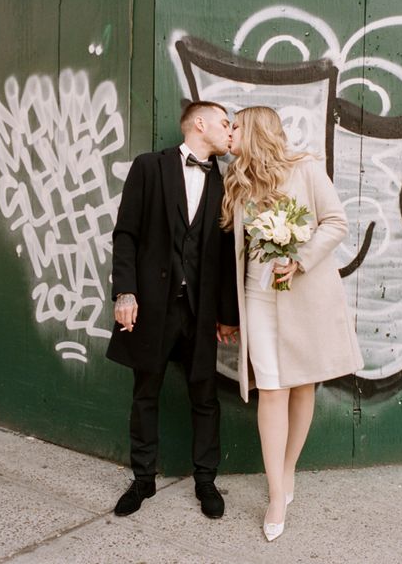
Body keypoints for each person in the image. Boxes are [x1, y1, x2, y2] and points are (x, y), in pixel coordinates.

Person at [220, 106, 364, 541]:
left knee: (303, 384)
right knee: (271, 388)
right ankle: (277, 493)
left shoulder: (306, 169)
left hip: (303, 292)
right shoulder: (236, 179)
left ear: (257, 131)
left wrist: (298, 258)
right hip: (257, 297)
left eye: (236, 126)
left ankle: (287, 471)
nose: (230, 133)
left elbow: (336, 222)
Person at [107, 100, 239, 519]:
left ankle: (206, 481)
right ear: (199, 124)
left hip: (199, 312)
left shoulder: (226, 183)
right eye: (224, 123)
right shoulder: (150, 167)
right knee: (145, 392)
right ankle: (143, 480)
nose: (230, 131)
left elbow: (224, 257)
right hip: (152, 306)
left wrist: (226, 314)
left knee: (205, 395)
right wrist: (125, 293)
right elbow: (125, 234)